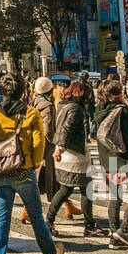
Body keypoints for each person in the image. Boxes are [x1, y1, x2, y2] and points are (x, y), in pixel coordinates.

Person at [0, 74, 63, 254]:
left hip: (2, 172)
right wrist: (34, 164)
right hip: (25, 171)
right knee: (36, 215)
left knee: (2, 217)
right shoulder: (31, 113)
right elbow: (39, 143)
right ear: (22, 92)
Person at [46, 81, 101, 237]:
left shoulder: (63, 105)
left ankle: (48, 221)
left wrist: (59, 148)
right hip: (74, 155)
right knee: (86, 190)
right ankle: (89, 225)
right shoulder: (76, 109)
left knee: (65, 189)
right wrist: (60, 147)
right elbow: (67, 129)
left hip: (65, 155)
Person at [94, 78, 128, 250]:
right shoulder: (122, 111)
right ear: (118, 93)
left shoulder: (99, 109)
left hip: (107, 161)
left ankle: (114, 234)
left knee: (115, 198)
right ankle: (124, 230)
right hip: (123, 160)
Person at [31, 77, 59, 214]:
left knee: (36, 175)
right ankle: (54, 206)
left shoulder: (33, 102)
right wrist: (55, 141)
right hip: (46, 145)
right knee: (50, 176)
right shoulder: (48, 106)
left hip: (33, 142)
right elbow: (48, 129)